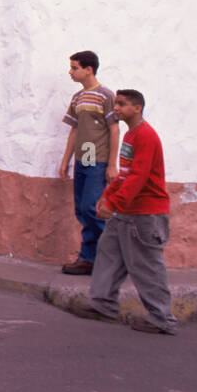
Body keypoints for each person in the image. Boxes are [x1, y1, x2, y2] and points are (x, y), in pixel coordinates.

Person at [80, 89, 177, 334]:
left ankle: (162, 318)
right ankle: (103, 304)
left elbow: (139, 176)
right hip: (126, 211)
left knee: (146, 266)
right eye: (116, 104)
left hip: (145, 214)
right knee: (108, 253)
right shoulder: (130, 135)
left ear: (137, 108)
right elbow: (124, 175)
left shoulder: (146, 135)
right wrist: (108, 197)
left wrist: (115, 202)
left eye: (122, 105)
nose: (117, 109)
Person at [57, 51, 119, 274]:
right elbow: (74, 131)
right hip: (83, 160)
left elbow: (114, 129)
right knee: (81, 211)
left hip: (98, 161)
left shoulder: (105, 95)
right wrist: (66, 161)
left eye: (75, 68)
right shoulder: (78, 98)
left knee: (91, 208)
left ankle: (109, 258)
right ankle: (89, 259)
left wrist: (112, 164)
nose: (71, 72)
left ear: (88, 69)